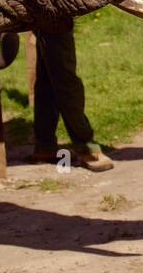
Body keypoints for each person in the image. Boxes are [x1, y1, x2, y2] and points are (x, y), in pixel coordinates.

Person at [31, 19, 114, 171]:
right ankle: (86, 147)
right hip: (53, 10)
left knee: (47, 76)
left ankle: (45, 144)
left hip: (44, 13)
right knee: (65, 78)